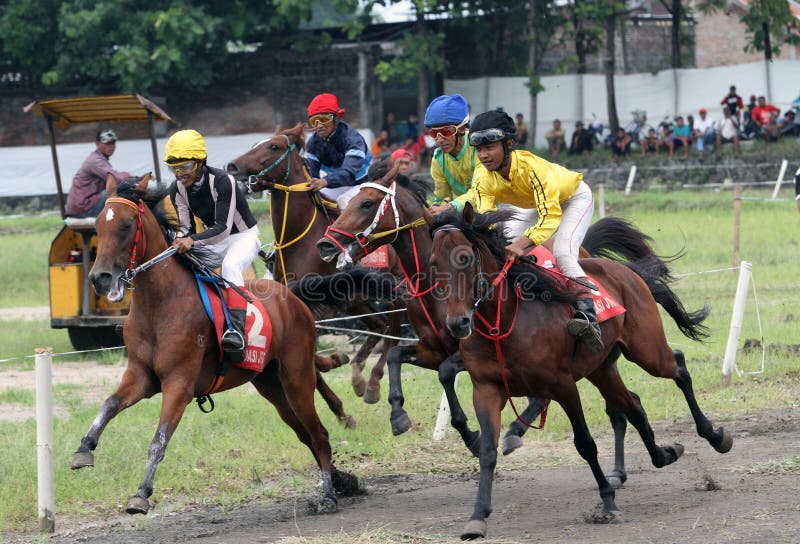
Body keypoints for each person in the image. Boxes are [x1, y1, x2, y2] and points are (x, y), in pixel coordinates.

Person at [435, 110, 603, 353]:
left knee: (564, 252)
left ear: (509, 144)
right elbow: (486, 216)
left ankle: (589, 318)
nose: (483, 155)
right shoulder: (482, 174)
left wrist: (524, 243)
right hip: (533, 204)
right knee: (505, 245)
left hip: (573, 198)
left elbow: (551, 216)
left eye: (489, 147)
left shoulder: (533, 168)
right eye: (479, 149)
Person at [165, 129, 261, 363]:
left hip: (243, 236)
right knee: (183, 265)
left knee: (230, 266)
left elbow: (223, 228)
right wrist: (178, 238)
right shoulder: (176, 189)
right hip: (212, 239)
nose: (180, 174)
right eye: (174, 167)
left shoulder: (222, 180)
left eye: (185, 166)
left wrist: (191, 240)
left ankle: (237, 332)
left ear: (200, 162)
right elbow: (185, 227)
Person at [305, 93, 372, 209]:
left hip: (362, 183)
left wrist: (325, 181)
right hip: (336, 184)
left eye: (324, 119)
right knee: (311, 198)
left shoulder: (353, 139)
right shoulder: (313, 143)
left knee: (343, 200)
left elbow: (348, 173)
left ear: (336, 118)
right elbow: (310, 173)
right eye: (314, 121)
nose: (319, 125)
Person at [423, 94, 477, 204]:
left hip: (497, 208)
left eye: (446, 131)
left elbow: (481, 192)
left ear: (462, 128)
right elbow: (442, 197)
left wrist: (450, 207)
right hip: (460, 212)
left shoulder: (479, 148)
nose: (439, 140)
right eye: (434, 133)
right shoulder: (438, 159)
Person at [65, 130, 130, 218]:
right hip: (83, 209)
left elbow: (115, 176)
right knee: (118, 191)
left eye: (113, 143)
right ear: (97, 144)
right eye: (107, 143)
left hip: (85, 206)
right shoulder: (95, 161)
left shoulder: (99, 159)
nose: (111, 146)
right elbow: (116, 179)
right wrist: (131, 177)